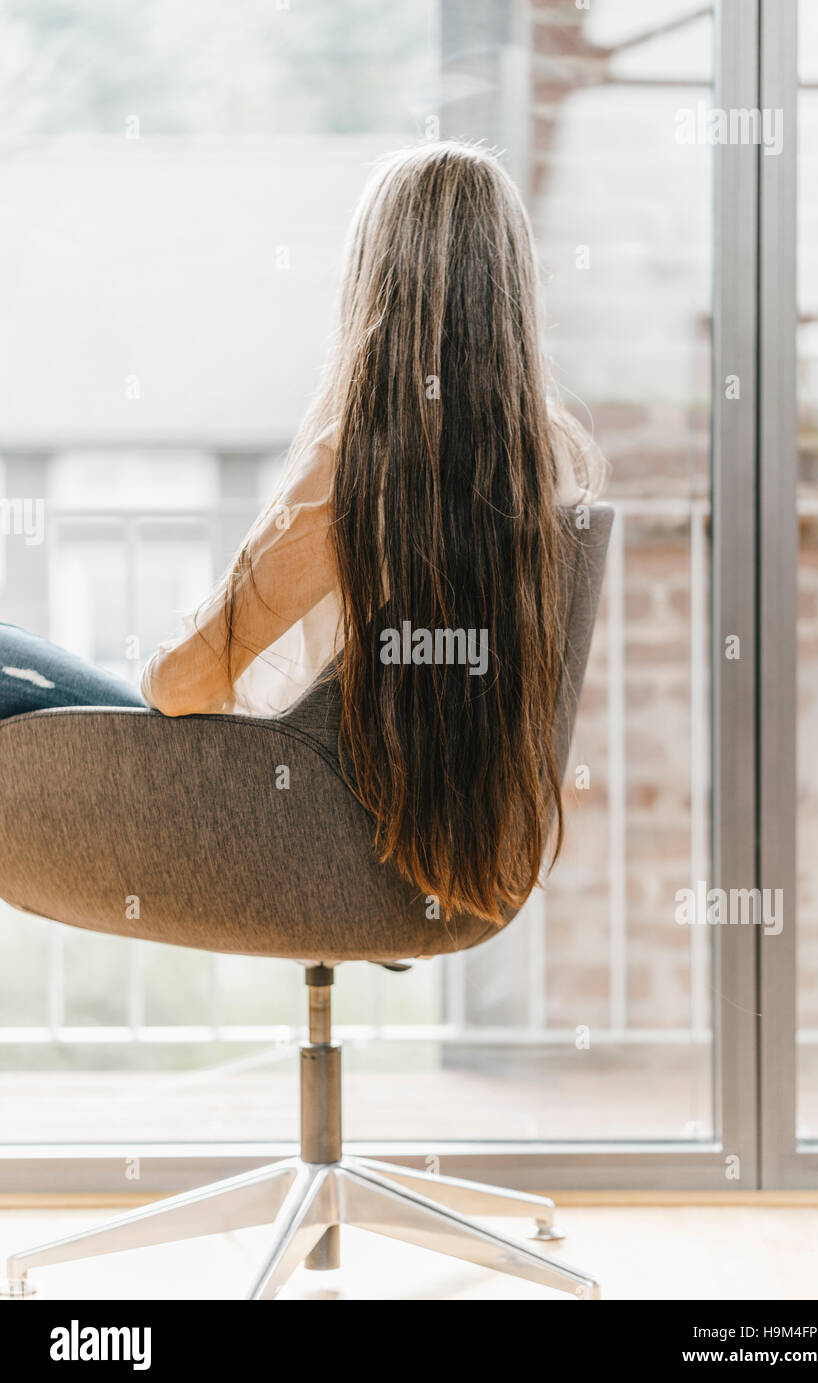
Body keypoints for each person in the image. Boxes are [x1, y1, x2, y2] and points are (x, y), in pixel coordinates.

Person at [0, 140, 604, 923]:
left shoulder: (356, 461)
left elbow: (177, 687)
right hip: (430, 846)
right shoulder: (551, 458)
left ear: (374, 284)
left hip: (303, 820)